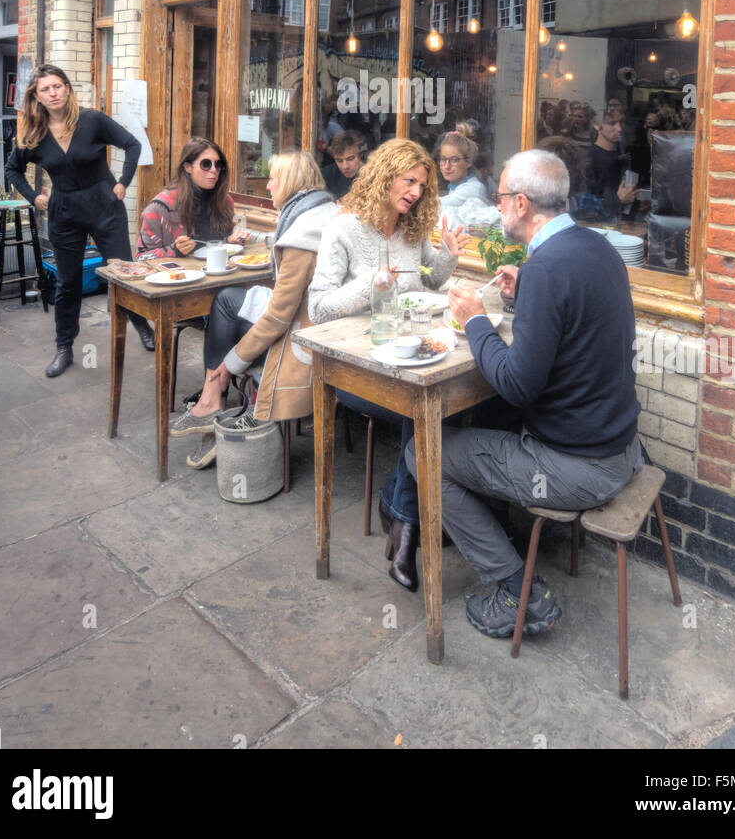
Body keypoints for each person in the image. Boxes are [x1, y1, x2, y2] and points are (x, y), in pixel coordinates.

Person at [406, 149, 643, 640]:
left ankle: (516, 588)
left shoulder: (546, 270)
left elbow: (516, 385)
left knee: (421, 452)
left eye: (499, 201)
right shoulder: (596, 248)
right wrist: (524, 294)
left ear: (520, 204)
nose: (495, 211)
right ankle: (500, 539)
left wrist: (474, 318)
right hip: (623, 448)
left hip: (579, 467)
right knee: (481, 425)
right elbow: (573, 322)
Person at [308, 139, 471, 591]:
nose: (417, 192)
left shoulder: (411, 230)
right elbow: (317, 308)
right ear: (384, 176)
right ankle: (407, 523)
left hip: (406, 356)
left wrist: (449, 254)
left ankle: (401, 518)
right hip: (355, 369)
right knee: (421, 408)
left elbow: (428, 280)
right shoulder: (343, 230)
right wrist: (369, 286)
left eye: (423, 184)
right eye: (410, 181)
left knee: (434, 399)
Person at [170, 151, 336, 468]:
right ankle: (213, 401)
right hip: (315, 320)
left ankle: (212, 398)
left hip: (303, 336)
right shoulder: (320, 209)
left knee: (224, 303)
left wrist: (231, 364)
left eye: (273, 178)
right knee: (228, 299)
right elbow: (280, 243)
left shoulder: (303, 235)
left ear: (290, 182)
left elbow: (278, 316)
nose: (268, 186)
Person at [5, 64, 154, 377]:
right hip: (64, 212)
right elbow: (12, 170)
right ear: (37, 96)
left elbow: (132, 145)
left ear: (68, 88)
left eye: (58, 86)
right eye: (46, 89)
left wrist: (123, 183)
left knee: (123, 272)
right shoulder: (34, 134)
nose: (53, 93)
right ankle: (64, 347)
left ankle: (141, 324)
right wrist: (34, 197)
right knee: (68, 282)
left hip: (103, 204)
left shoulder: (91, 120)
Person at [136, 137, 247, 259]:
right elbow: (141, 258)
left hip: (220, 274)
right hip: (179, 276)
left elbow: (212, 246)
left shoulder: (224, 202)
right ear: (188, 167)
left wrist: (231, 241)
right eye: (206, 164)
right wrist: (173, 250)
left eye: (218, 164)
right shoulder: (159, 208)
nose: (214, 170)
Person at [435, 127, 491, 222]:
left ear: (468, 162)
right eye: (443, 159)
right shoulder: (455, 185)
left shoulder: (474, 188)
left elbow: (436, 205)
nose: (447, 166)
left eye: (454, 160)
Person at [586, 112, 638, 214]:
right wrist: (618, 201)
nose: (619, 128)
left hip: (623, 219)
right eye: (612, 123)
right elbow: (586, 205)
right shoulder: (590, 157)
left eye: (621, 122)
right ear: (597, 125)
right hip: (601, 223)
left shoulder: (621, 153)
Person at [320, 130, 366, 200]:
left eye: (350, 159)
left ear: (361, 155)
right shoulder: (326, 174)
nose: (345, 166)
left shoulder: (372, 175)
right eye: (339, 161)